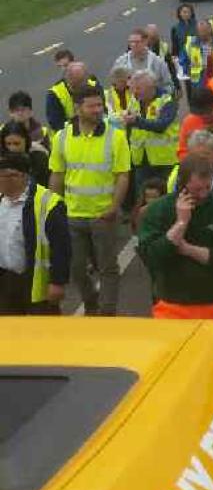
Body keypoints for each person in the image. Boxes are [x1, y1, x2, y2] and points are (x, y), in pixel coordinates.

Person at [48, 84, 130, 316]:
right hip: (72, 215)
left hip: (103, 215)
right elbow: (57, 175)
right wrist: (54, 207)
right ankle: (91, 301)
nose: (97, 110)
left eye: (100, 105)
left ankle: (107, 312)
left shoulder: (116, 137)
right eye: (91, 106)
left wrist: (114, 207)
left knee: (107, 267)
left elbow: (122, 176)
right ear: (77, 109)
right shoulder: (62, 138)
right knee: (76, 268)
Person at [137, 153, 213, 319]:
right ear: (183, 182)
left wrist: (187, 249)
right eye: (198, 189)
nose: (204, 194)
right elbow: (152, 257)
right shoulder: (158, 210)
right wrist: (181, 223)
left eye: (207, 187)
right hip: (170, 304)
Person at [0, 152, 70, 314]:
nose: (2, 180)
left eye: (8, 176)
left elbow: (61, 247)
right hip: (5, 280)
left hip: (35, 283)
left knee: (42, 328)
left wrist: (57, 282)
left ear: (23, 176)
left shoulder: (49, 203)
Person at [124, 70, 180, 191]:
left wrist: (136, 121)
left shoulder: (167, 101)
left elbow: (161, 126)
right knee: (142, 195)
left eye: (138, 88)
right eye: (134, 88)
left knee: (165, 193)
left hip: (164, 161)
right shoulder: (134, 100)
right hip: (141, 159)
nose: (135, 92)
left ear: (151, 87)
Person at [112, 27, 174, 99]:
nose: (134, 45)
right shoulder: (121, 62)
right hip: (130, 104)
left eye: (137, 42)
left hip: (153, 103)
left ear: (145, 42)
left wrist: (155, 92)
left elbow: (169, 86)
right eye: (131, 42)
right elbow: (114, 86)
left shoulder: (158, 62)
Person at [45, 58, 100, 133]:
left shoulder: (94, 85)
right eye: (76, 86)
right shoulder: (55, 94)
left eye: (83, 84)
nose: (80, 90)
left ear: (87, 78)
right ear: (68, 81)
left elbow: (103, 112)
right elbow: (57, 124)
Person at [0, 120, 50, 187]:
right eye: (8, 144)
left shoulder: (39, 158)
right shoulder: (2, 161)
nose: (12, 148)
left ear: (26, 141)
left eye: (17, 144)